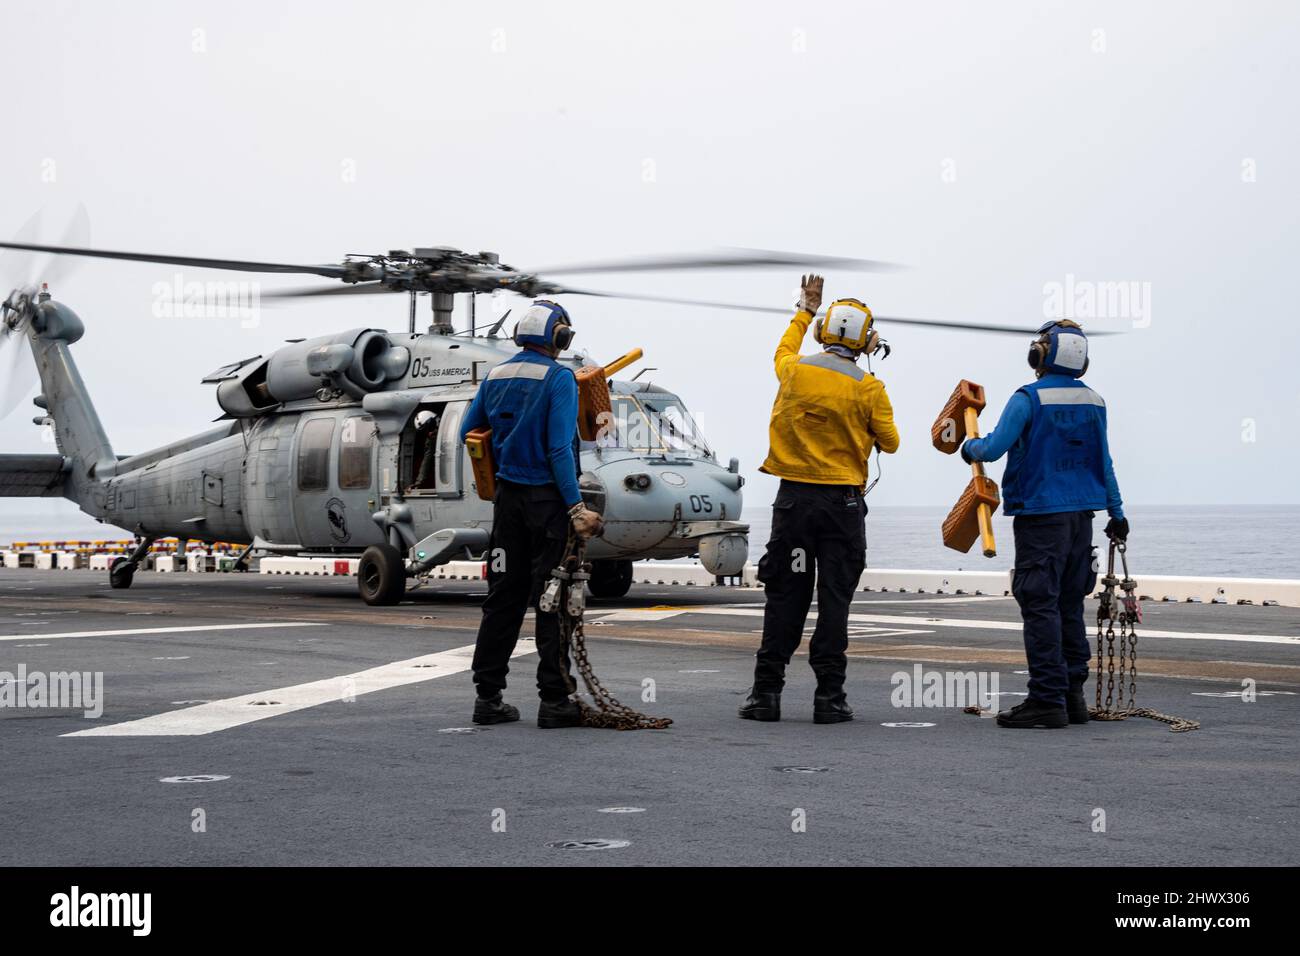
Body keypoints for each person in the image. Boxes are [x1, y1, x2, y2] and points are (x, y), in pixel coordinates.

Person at [740, 275, 900, 724]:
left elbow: (782, 349)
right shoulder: (870, 389)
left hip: (793, 506)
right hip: (841, 509)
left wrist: (805, 308)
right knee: (834, 600)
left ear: (822, 331)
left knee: (786, 595)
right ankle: (830, 698)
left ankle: (765, 695)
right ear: (867, 341)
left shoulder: (793, 370)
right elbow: (890, 442)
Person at [961, 319, 1127, 729]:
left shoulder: (1027, 399)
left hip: (1040, 519)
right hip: (1082, 520)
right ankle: (1072, 697)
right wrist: (1118, 515)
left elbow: (993, 448)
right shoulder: (1095, 402)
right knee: (1069, 604)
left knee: (1039, 605)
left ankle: (1046, 699)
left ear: (1040, 355)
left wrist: (969, 448)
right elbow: (1103, 462)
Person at [459, 300, 604, 728]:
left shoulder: (496, 374)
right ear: (557, 337)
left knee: (502, 599)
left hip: (507, 503)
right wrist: (576, 505)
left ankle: (488, 698)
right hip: (546, 504)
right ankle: (555, 700)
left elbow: (471, 428)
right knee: (552, 598)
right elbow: (560, 447)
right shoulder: (559, 378)